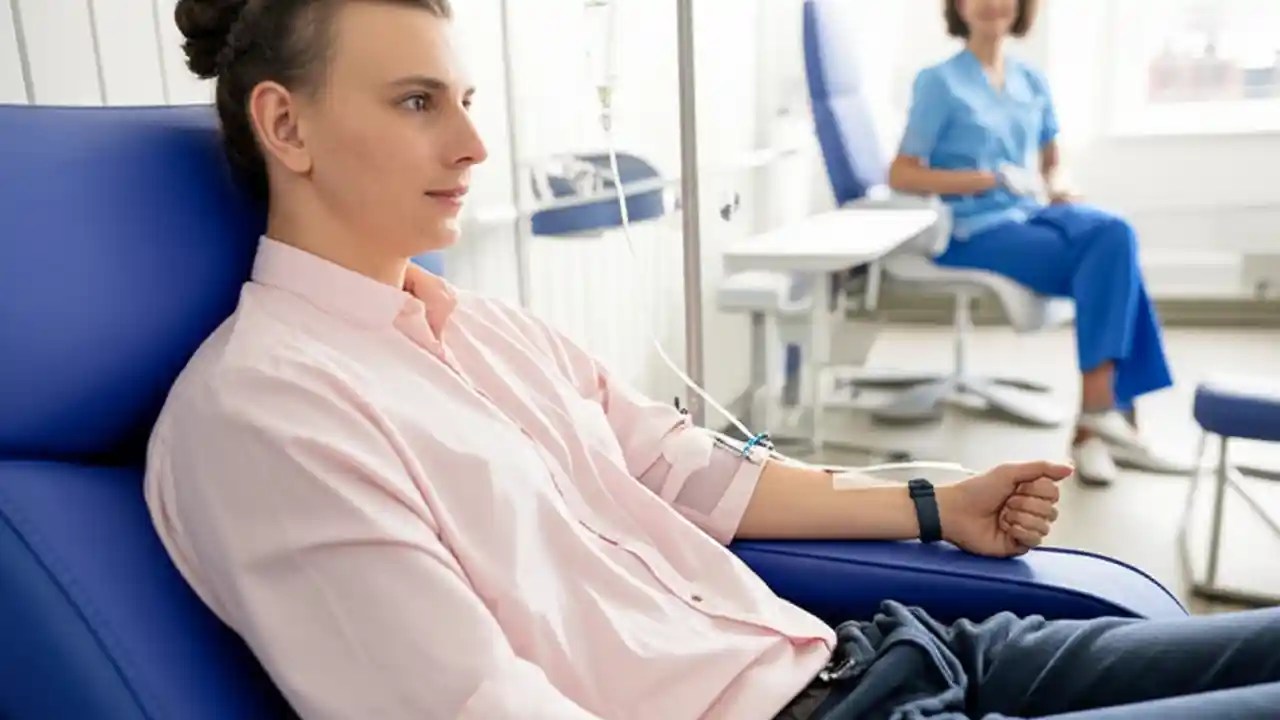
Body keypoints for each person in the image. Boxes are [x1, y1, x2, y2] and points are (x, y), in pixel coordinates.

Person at [145, 1, 1280, 719]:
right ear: (285, 127)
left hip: (887, 657)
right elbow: (474, 703)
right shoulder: (267, 415)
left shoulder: (485, 328)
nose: (474, 143)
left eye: (467, 101)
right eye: (416, 103)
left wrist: (937, 504)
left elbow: (688, 469)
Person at [888, 0, 1189, 487]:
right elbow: (902, 173)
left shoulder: (1030, 79)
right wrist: (986, 180)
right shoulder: (938, 82)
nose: (991, 4)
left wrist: (1061, 187)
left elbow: (1053, 163)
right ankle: (1102, 422)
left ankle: (1097, 428)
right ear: (958, 6)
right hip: (970, 230)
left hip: (1030, 214)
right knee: (1111, 255)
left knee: (1114, 236)